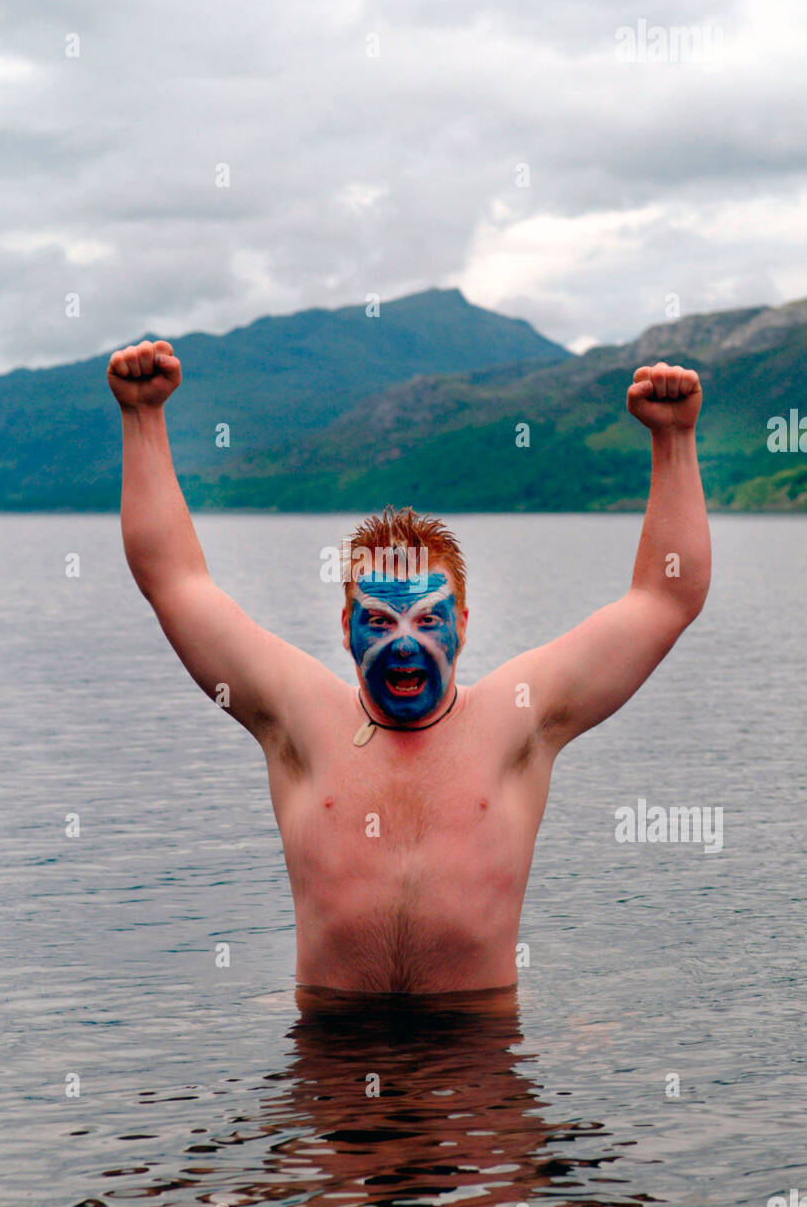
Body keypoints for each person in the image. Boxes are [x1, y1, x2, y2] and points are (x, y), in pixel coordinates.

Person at [108, 340, 710, 997]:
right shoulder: (298, 716)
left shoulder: (517, 719)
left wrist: (674, 439)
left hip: (483, 1062)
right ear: (345, 627)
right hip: (328, 1066)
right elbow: (174, 582)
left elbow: (665, 597)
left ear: (464, 625)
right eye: (379, 619)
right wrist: (143, 420)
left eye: (427, 620)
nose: (403, 643)